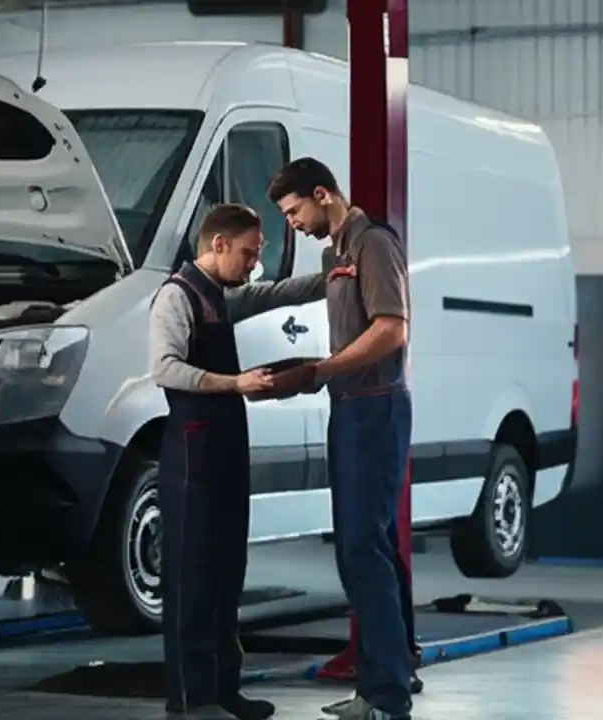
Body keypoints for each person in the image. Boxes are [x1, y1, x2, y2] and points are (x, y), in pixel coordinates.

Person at [149, 202, 326, 720]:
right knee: (191, 576)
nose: (254, 264)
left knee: (228, 573)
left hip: (226, 448)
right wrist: (235, 384)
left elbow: (277, 293)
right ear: (218, 244)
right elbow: (164, 369)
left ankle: (226, 689)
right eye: (249, 253)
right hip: (191, 452)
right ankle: (190, 698)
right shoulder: (176, 298)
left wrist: (331, 278)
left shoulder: (222, 297)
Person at [266, 158, 415, 720]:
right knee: (368, 546)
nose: (293, 224)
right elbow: (290, 294)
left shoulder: (372, 243)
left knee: (361, 547)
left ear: (322, 194)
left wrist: (321, 371)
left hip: (375, 408)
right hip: (350, 408)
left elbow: (390, 328)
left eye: (294, 211)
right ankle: (388, 678)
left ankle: (387, 696)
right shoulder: (337, 254)